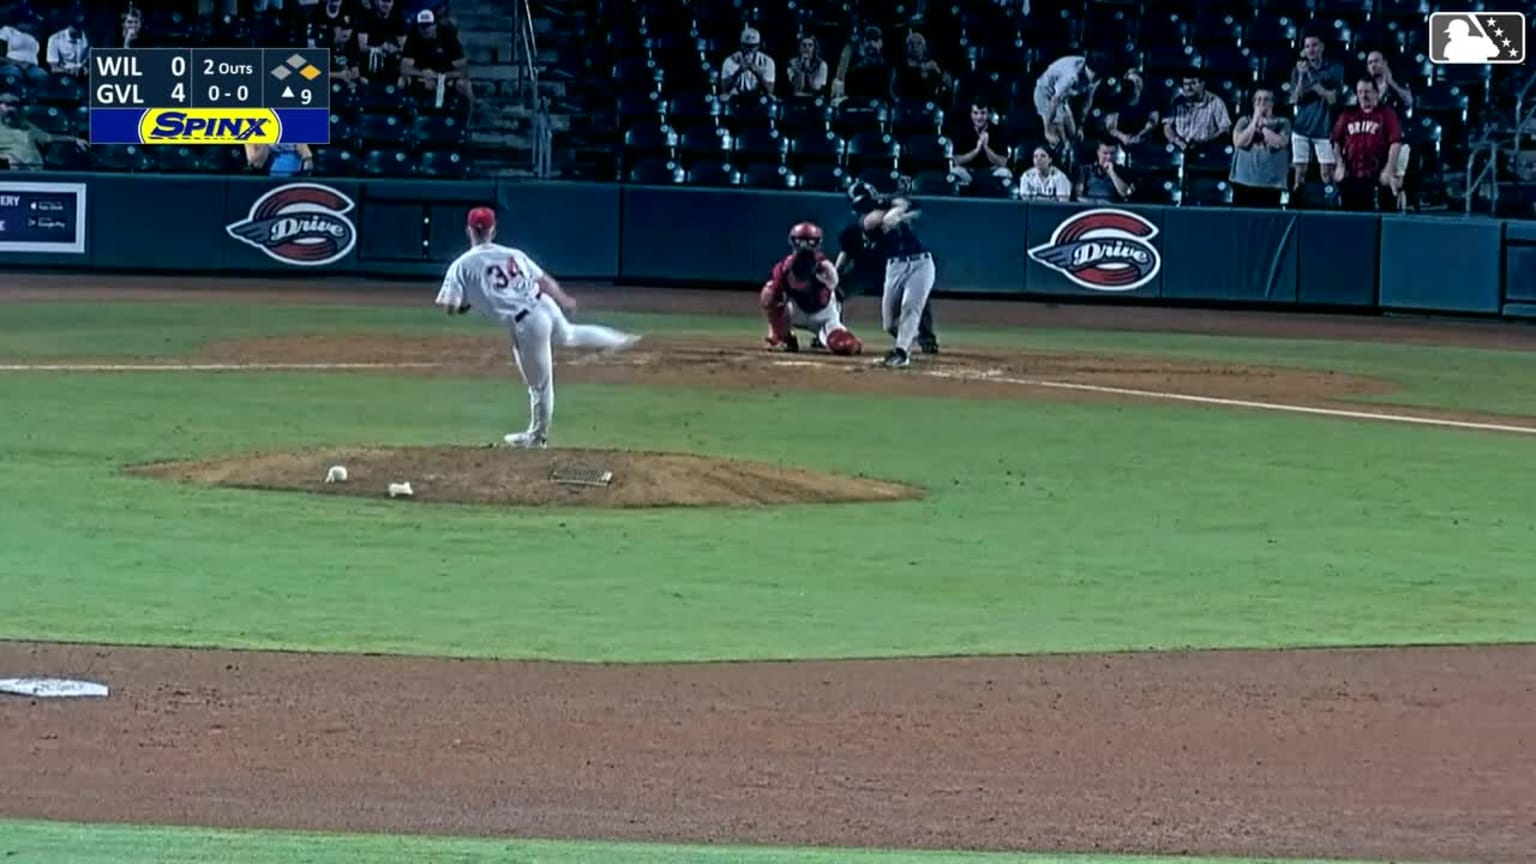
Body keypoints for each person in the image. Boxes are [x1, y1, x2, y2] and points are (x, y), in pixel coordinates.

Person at [435, 207, 640, 448]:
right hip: (544, 303)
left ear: (468, 230)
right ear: (493, 230)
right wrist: (565, 299)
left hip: (527, 324)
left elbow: (450, 306)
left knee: (540, 384)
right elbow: (543, 280)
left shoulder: (461, 266)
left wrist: (465, 304)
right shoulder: (513, 253)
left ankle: (537, 437)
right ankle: (620, 340)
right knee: (570, 335)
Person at [848, 182, 937, 368]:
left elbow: (911, 205)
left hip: (921, 264)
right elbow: (881, 218)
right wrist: (897, 211)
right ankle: (908, 338)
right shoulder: (865, 221)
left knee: (911, 306)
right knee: (888, 324)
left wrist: (898, 207)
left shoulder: (888, 204)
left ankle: (901, 351)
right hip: (894, 267)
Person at [761, 222, 862, 356]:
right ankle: (780, 337)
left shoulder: (825, 268)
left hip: (823, 316)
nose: (804, 246)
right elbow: (774, 296)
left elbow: (835, 289)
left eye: (809, 242)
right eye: (800, 241)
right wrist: (776, 329)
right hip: (796, 312)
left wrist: (817, 276)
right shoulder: (784, 268)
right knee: (769, 292)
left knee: (844, 346)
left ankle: (847, 340)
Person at [1330, 78, 1402, 212]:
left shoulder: (1386, 114)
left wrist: (1389, 168)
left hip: (1377, 176)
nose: (1363, 95)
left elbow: (1396, 142)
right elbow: (1336, 141)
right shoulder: (1348, 114)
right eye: (1360, 92)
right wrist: (1339, 164)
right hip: (1351, 175)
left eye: (1367, 91)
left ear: (1376, 92)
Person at [1228, 88, 1291, 207]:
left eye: (1266, 99)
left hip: (1271, 184)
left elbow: (1279, 143)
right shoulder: (1243, 121)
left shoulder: (1283, 122)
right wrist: (1254, 122)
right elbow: (1239, 142)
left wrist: (1262, 127)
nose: (1261, 102)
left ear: (1273, 102)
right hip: (1243, 182)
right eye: (1258, 99)